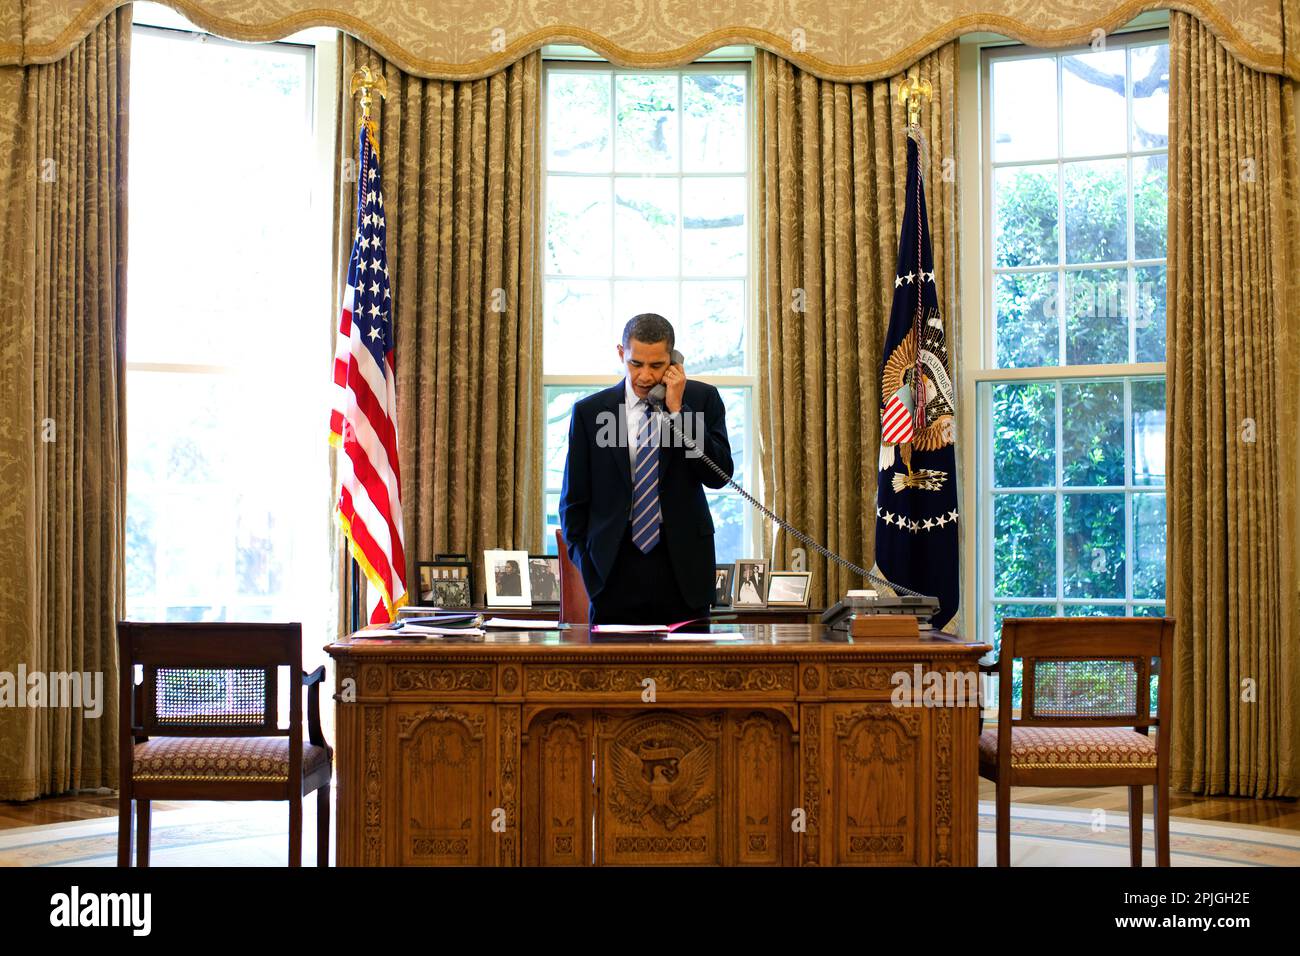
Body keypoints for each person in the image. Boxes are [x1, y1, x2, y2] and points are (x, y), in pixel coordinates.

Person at [559, 314, 733, 625]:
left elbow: (718, 475)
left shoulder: (701, 400)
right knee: (613, 672)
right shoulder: (590, 412)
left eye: (657, 366)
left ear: (674, 361)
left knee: (691, 672)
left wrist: (679, 411)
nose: (645, 376)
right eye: (636, 364)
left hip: (682, 568)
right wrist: (588, 565)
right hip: (613, 568)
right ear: (620, 354)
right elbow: (573, 502)